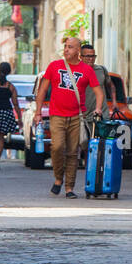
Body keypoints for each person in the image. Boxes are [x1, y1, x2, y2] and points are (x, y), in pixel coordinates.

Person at [34, 36, 105, 198]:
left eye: (71, 47)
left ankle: (69, 187)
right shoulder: (54, 66)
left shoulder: (86, 70)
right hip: (57, 115)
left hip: (76, 116)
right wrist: (38, 113)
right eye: (66, 46)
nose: (66, 50)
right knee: (57, 147)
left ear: (78, 51)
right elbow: (42, 90)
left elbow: (99, 92)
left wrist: (98, 108)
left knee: (73, 152)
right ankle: (58, 178)